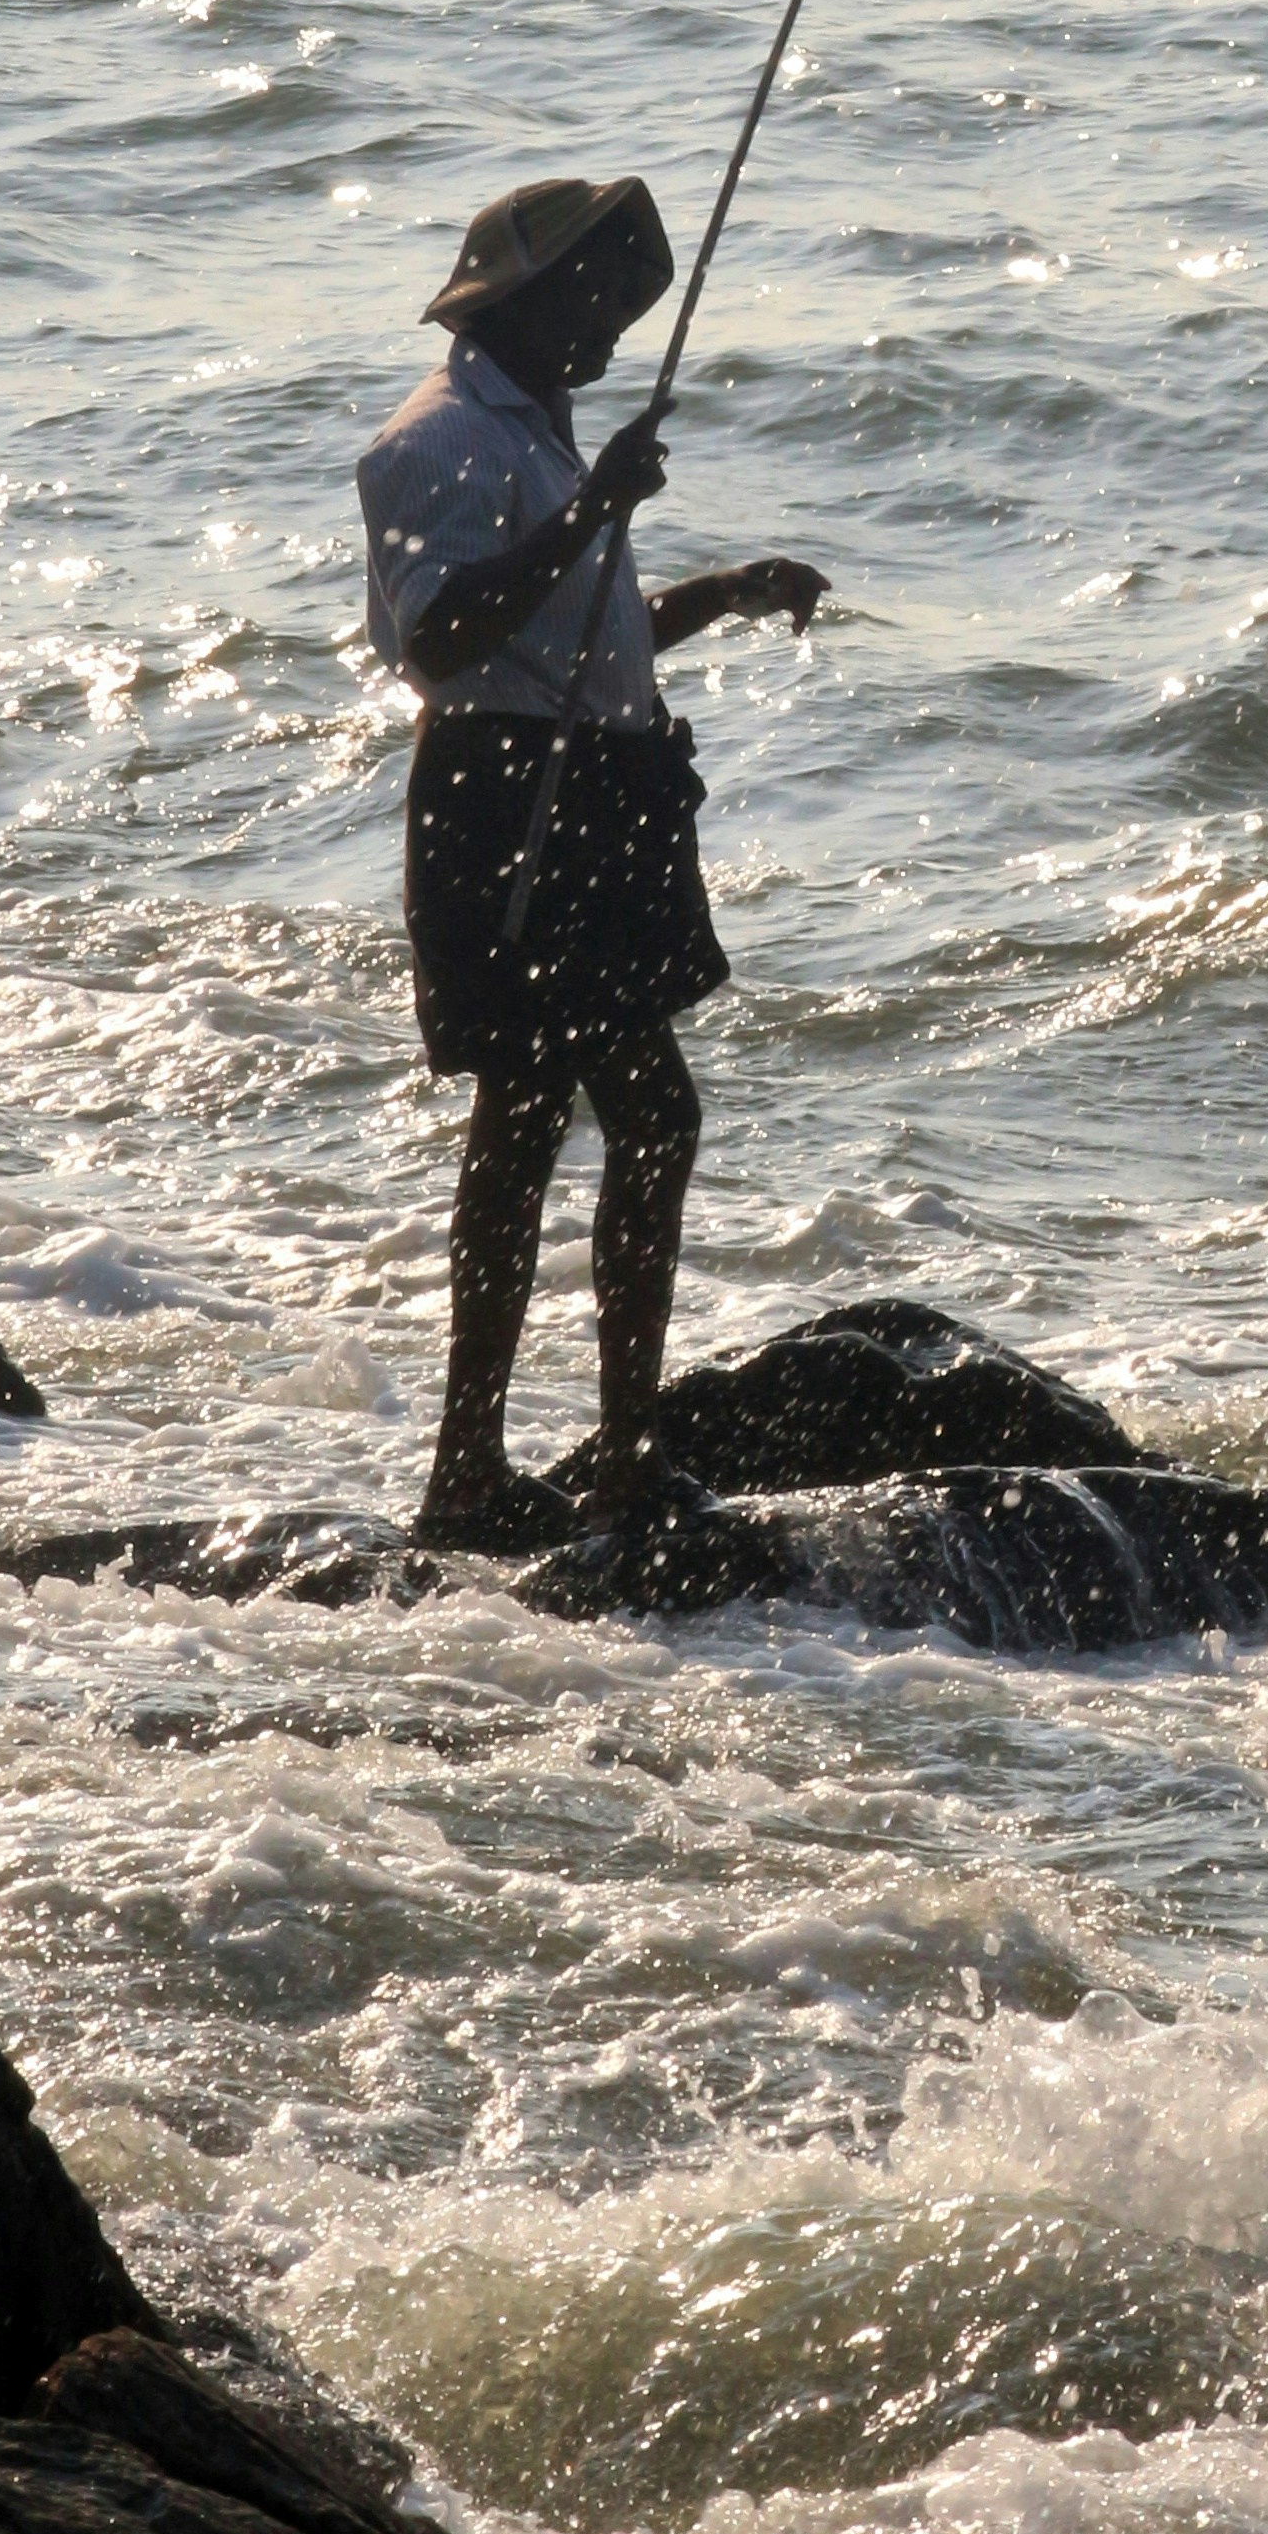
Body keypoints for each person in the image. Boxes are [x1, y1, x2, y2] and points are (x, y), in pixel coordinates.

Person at [359, 174, 826, 1546]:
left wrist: (729, 590)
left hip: (589, 797)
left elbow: (585, 636)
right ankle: (587, 1461)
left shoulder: (544, 440)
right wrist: (594, 510)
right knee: (615, 1120)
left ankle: (498, 1465)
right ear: (526, 302)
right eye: (596, 299)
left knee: (532, 1129)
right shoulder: (439, 440)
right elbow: (442, 644)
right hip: (512, 806)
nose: (618, 327)